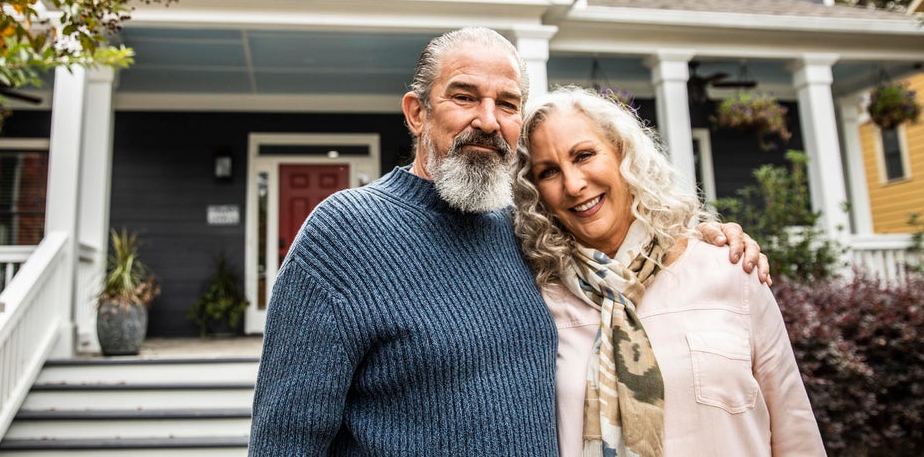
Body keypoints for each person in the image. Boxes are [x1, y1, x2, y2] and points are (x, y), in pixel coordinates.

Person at [248, 27, 769, 455]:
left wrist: (703, 239)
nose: (488, 120)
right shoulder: (343, 235)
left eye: (507, 103)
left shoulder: (528, 228)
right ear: (417, 113)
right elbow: (284, 441)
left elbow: (620, 250)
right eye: (464, 97)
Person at [513, 86, 823, 456]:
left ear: (622, 152)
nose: (574, 184)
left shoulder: (730, 271)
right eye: (548, 172)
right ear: (535, 192)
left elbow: (795, 432)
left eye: (584, 155)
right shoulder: (539, 301)